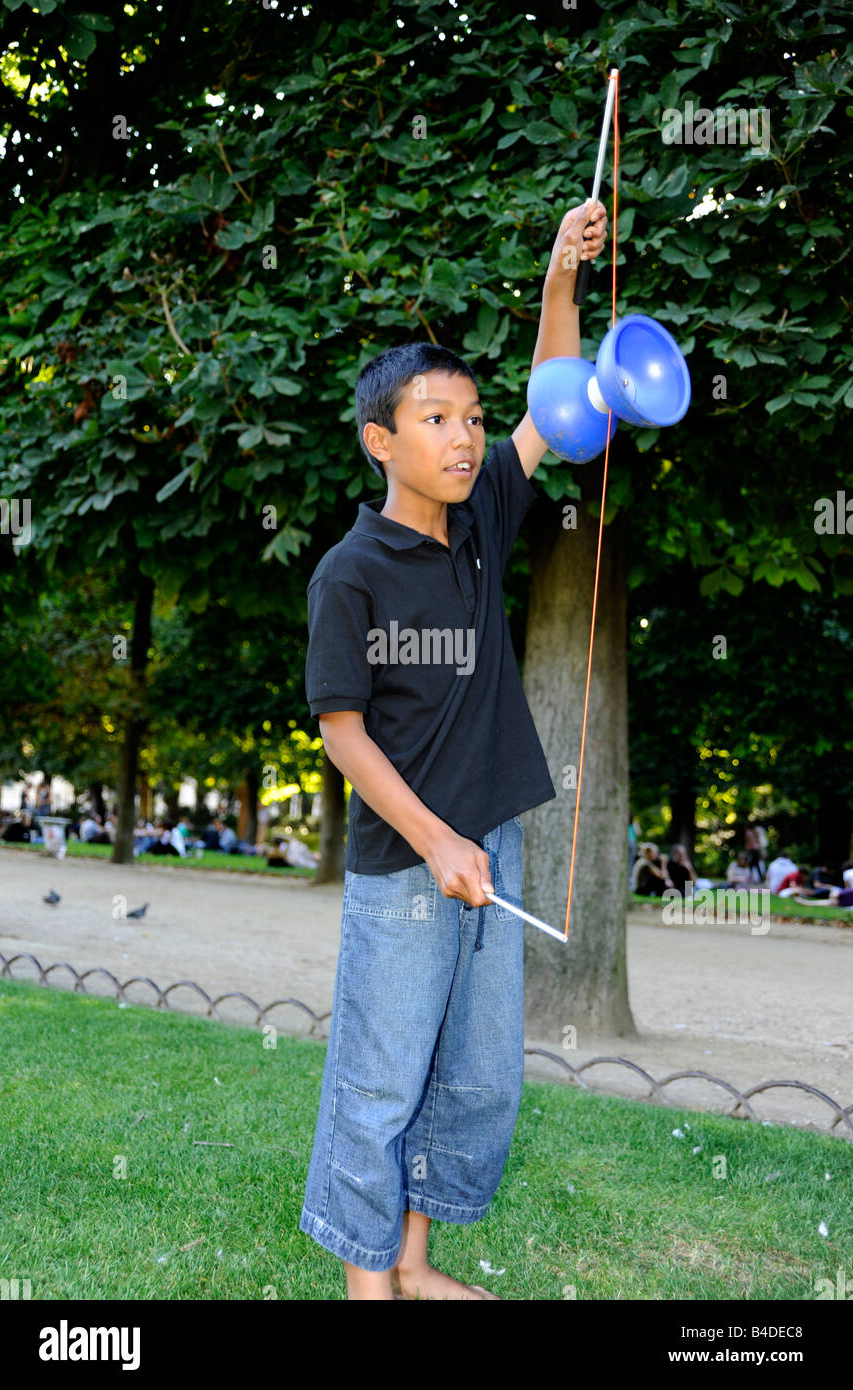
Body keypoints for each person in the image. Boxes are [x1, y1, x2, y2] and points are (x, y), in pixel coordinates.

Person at [298, 199, 609, 1303]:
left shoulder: (481, 520)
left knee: (477, 1081)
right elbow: (342, 736)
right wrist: (435, 842)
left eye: (472, 418)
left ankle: (419, 1263)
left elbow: (554, 399)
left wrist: (559, 277)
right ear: (383, 441)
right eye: (438, 419)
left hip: (494, 844)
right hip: (406, 870)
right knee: (379, 1087)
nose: (469, 436)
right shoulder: (350, 572)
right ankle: (367, 1282)